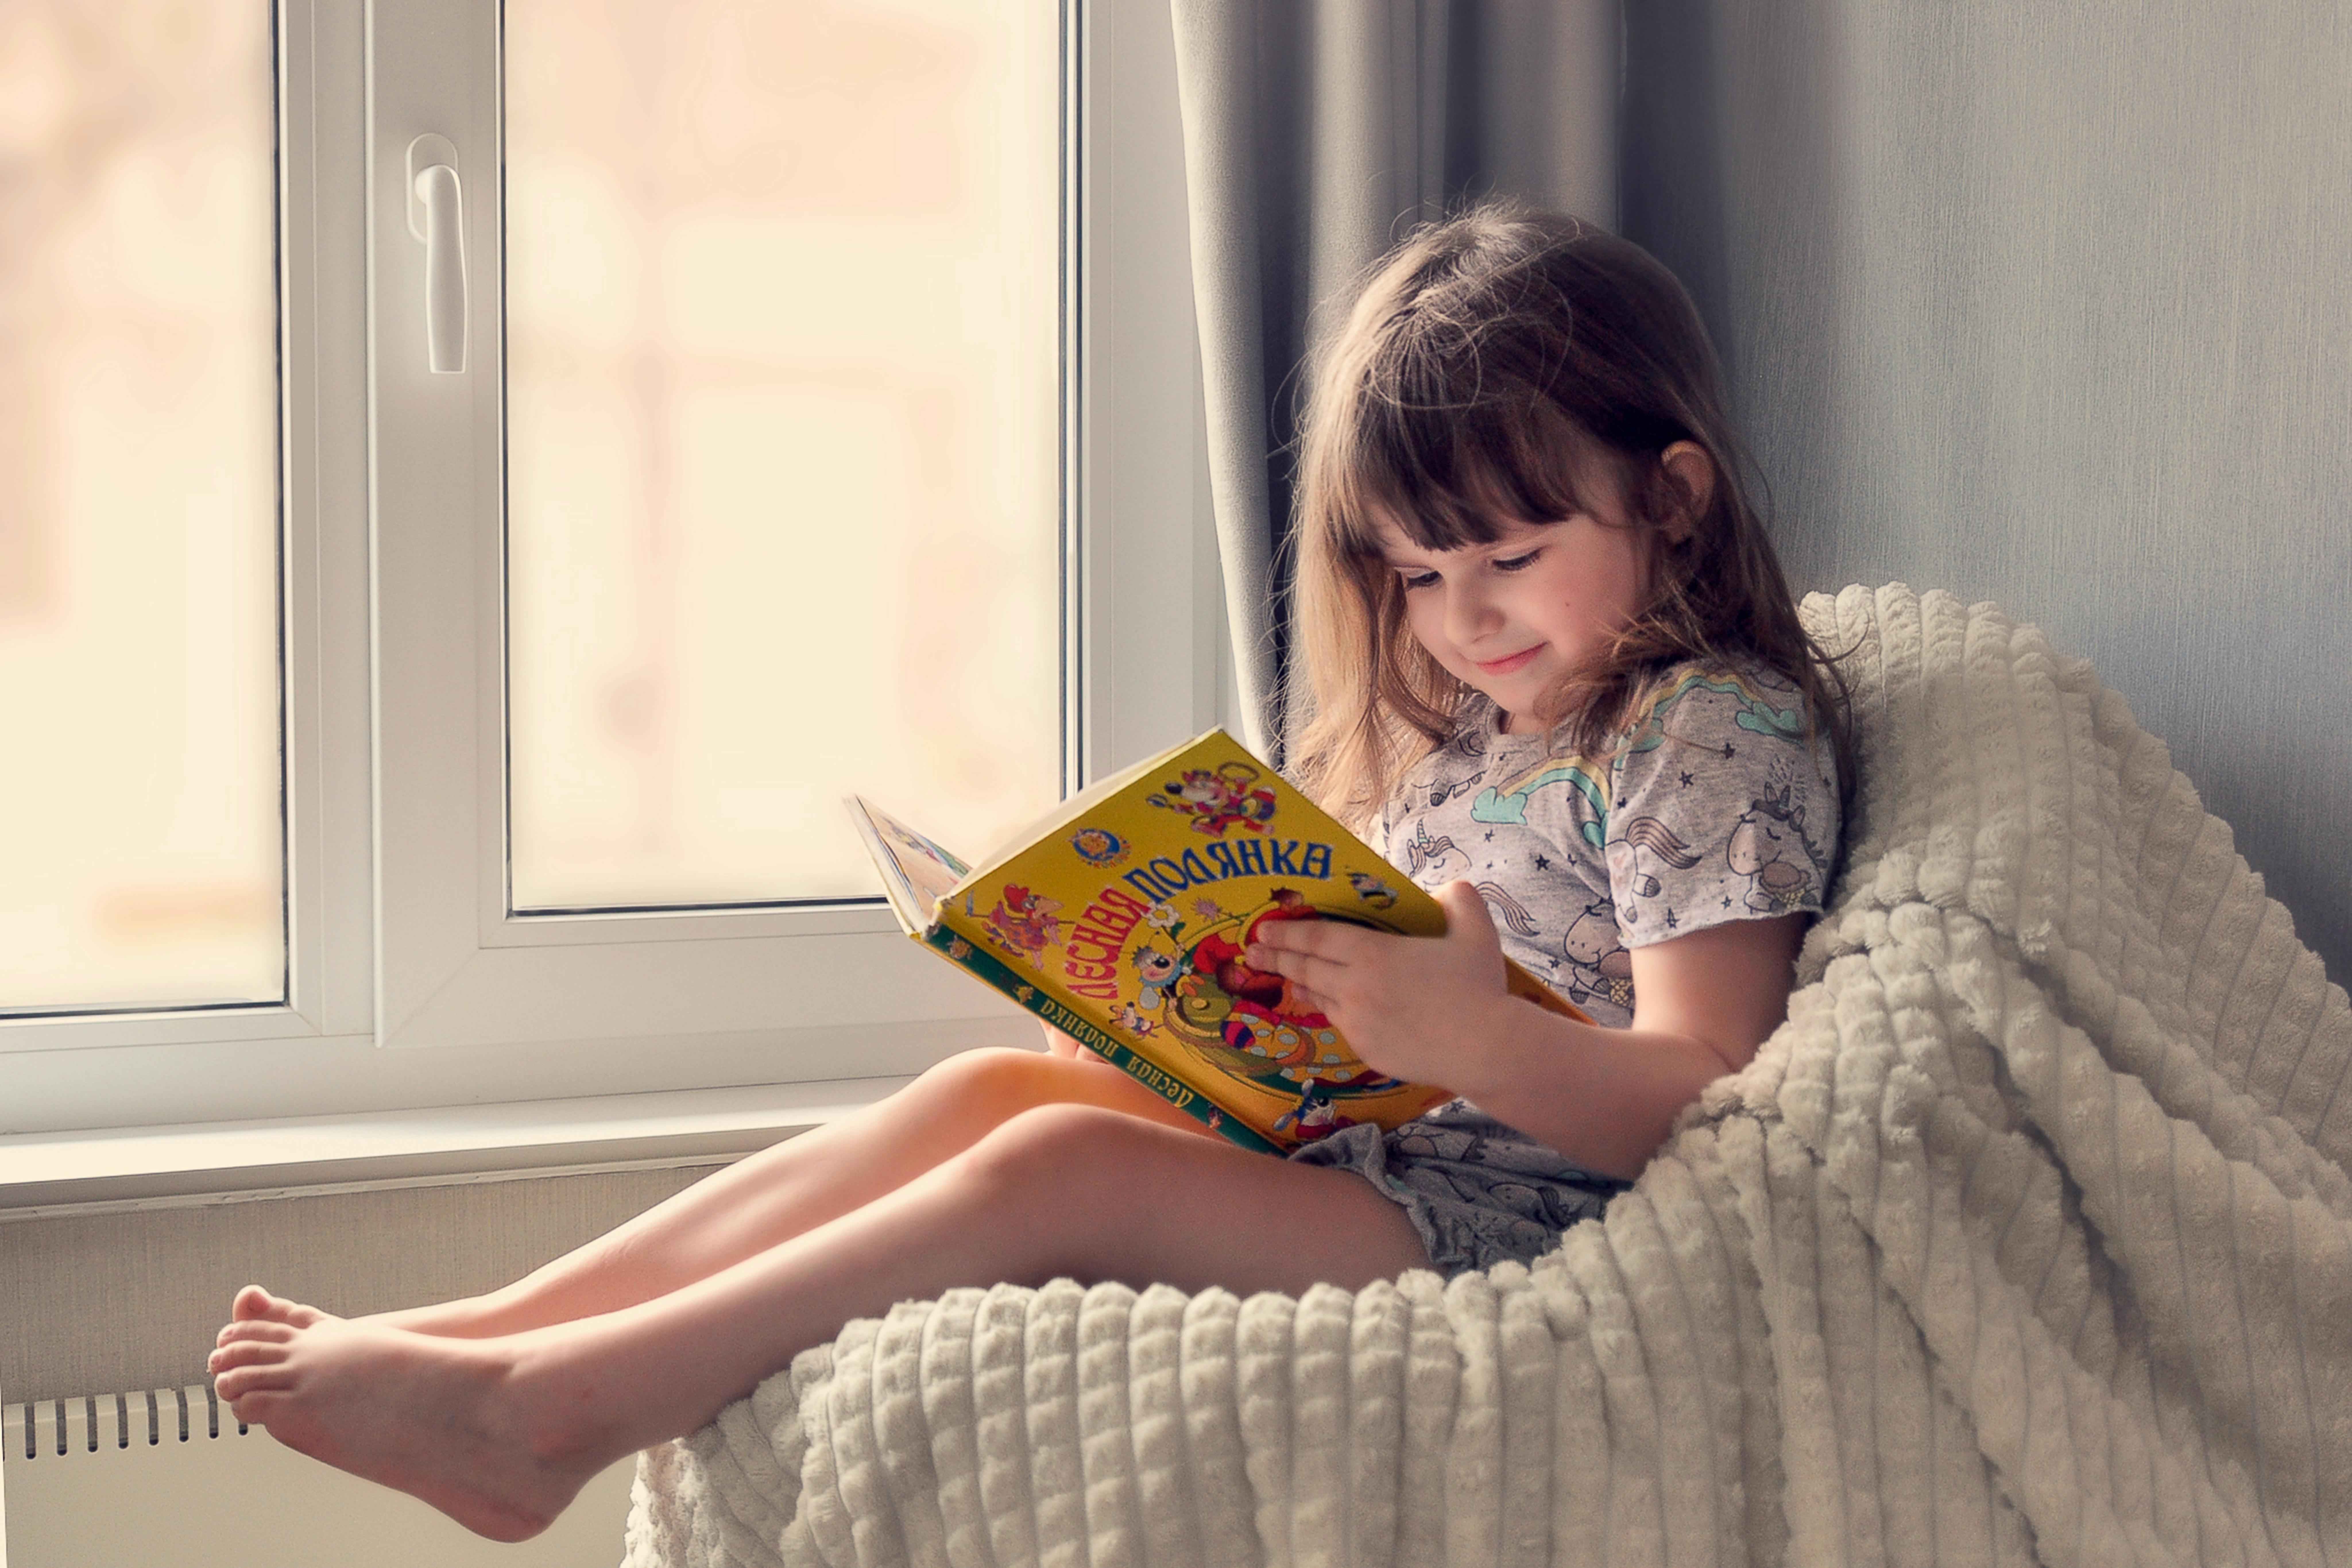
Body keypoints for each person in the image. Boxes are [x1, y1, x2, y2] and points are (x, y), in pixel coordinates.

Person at [206, 201, 1850, 1544]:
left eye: (1509, 557)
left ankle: (545, 1418)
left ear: (1674, 499)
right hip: (1389, 1166)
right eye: (1419, 576)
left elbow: (1715, 1099)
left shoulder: (1705, 732)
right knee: (988, 1095)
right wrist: (1166, 1020)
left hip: (1518, 1229)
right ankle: (484, 1330)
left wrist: (1475, 1032)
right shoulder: (1490, 733)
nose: (1465, 619)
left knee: (1050, 1174)